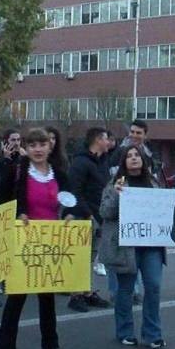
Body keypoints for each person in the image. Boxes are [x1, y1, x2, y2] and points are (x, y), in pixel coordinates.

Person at [0, 128, 86, 349]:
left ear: (49, 147)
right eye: (32, 144)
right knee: (16, 298)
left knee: (48, 297)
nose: (37, 149)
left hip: (50, 242)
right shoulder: (16, 171)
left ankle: (50, 343)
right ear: (26, 146)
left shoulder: (60, 174)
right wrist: (18, 213)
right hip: (22, 242)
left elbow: (75, 203)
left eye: (42, 144)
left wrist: (69, 214)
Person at [98, 145, 167, 349]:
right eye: (129, 156)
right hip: (126, 247)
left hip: (151, 245)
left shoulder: (154, 184)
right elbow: (105, 212)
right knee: (125, 290)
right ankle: (125, 331)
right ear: (123, 161)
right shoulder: (115, 185)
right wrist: (118, 197)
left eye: (137, 155)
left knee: (153, 286)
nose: (134, 158)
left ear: (144, 160)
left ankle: (152, 334)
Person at [68, 127, 112, 311]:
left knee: (90, 258)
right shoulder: (81, 162)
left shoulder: (101, 163)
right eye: (106, 138)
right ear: (97, 140)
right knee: (80, 257)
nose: (109, 142)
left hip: (98, 216)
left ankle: (86, 292)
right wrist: (88, 215)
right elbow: (75, 191)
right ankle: (75, 295)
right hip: (85, 217)